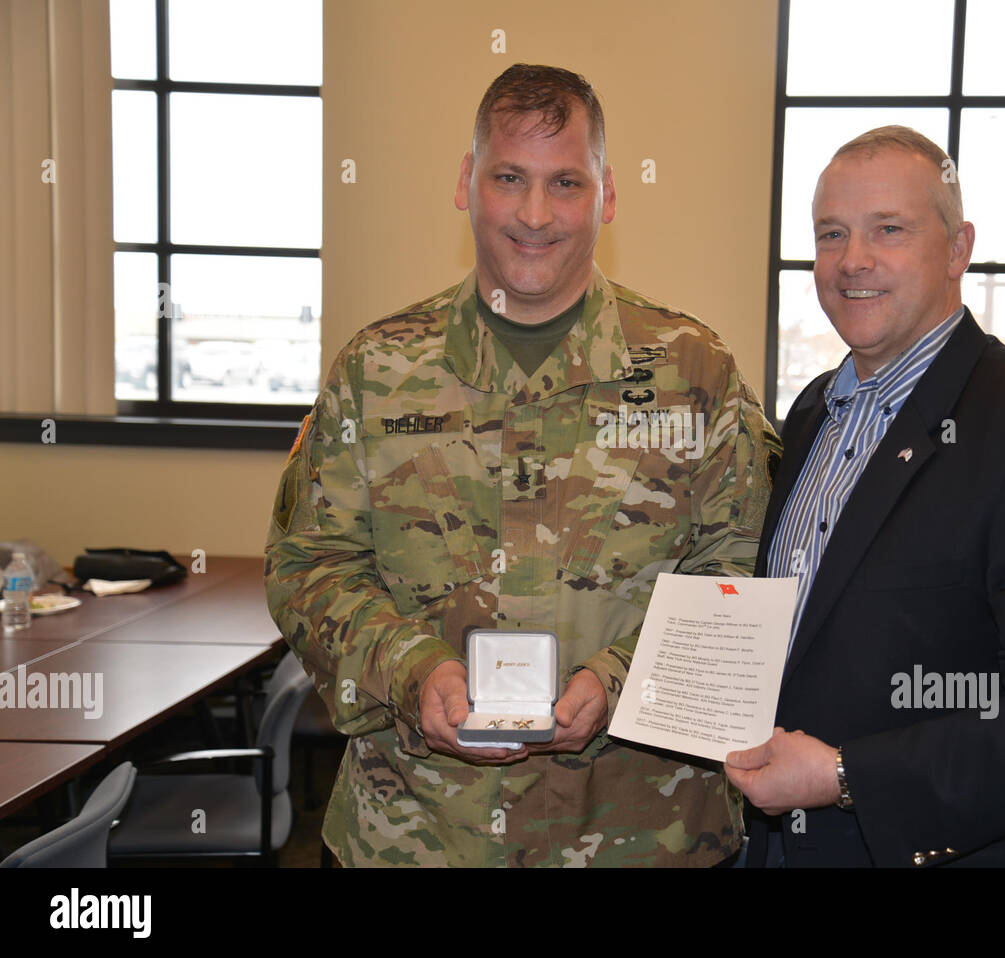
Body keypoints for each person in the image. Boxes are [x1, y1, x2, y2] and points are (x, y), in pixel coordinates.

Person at [265, 63, 778, 867]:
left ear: (606, 197)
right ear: (469, 182)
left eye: (566, 182)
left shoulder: (692, 370)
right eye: (510, 177)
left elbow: (742, 572)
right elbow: (309, 565)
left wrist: (614, 679)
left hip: (646, 834)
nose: (536, 214)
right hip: (419, 834)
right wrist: (411, 668)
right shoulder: (377, 368)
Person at [724, 126, 1005, 867]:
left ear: (959, 249)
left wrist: (846, 777)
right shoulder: (810, 414)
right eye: (830, 234)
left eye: (888, 230)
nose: (852, 261)